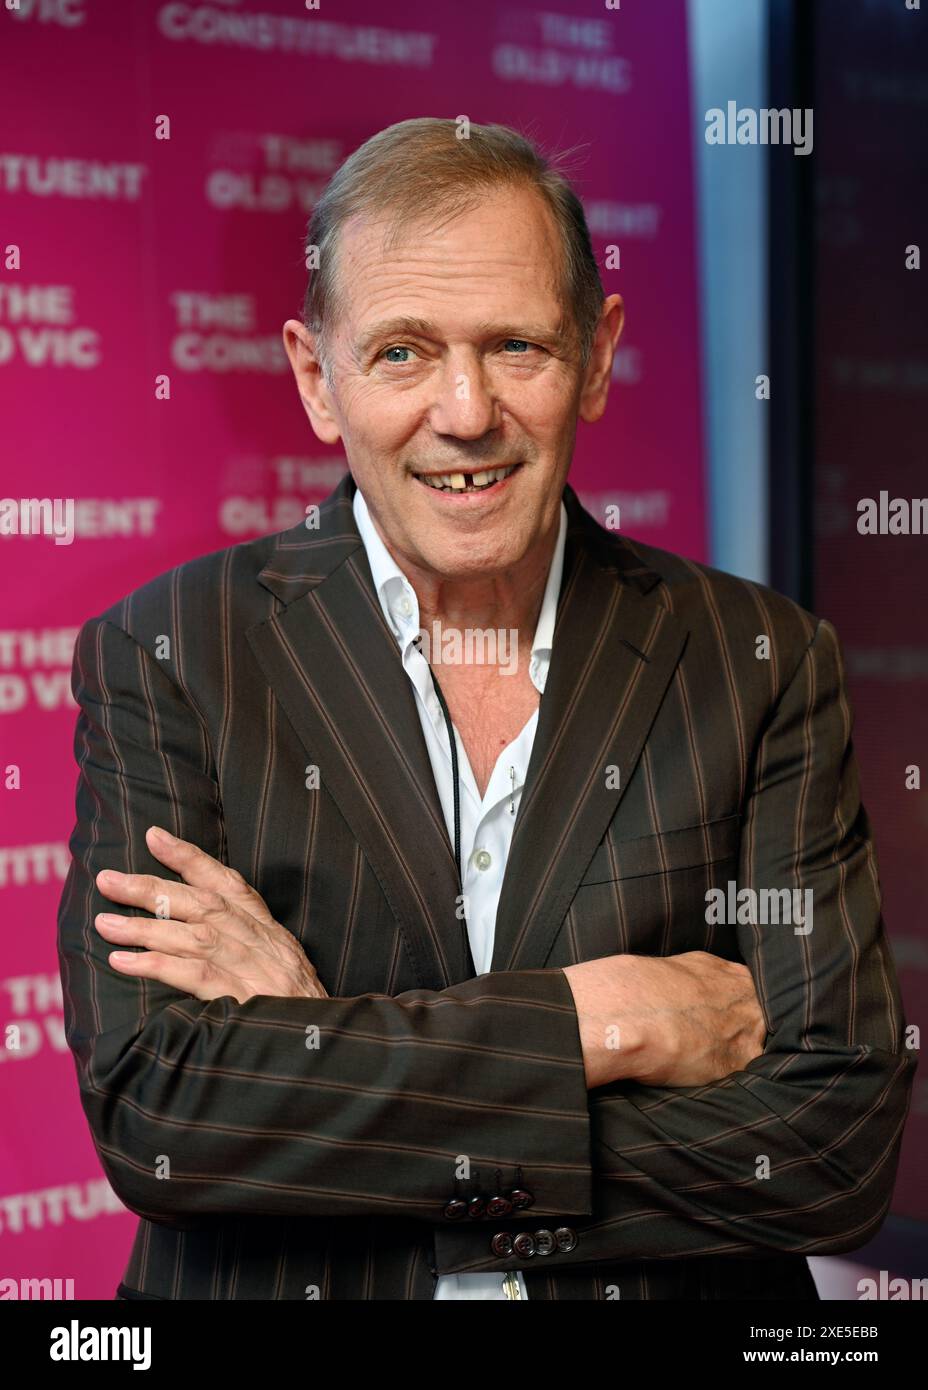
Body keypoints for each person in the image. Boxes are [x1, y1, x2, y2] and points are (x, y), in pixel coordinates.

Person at [58, 118, 915, 1301]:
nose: (464, 413)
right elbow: (169, 1110)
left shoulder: (757, 657)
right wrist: (599, 1023)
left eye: (516, 345)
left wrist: (322, 1048)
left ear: (600, 356)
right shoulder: (171, 652)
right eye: (403, 353)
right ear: (318, 377)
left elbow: (829, 1148)